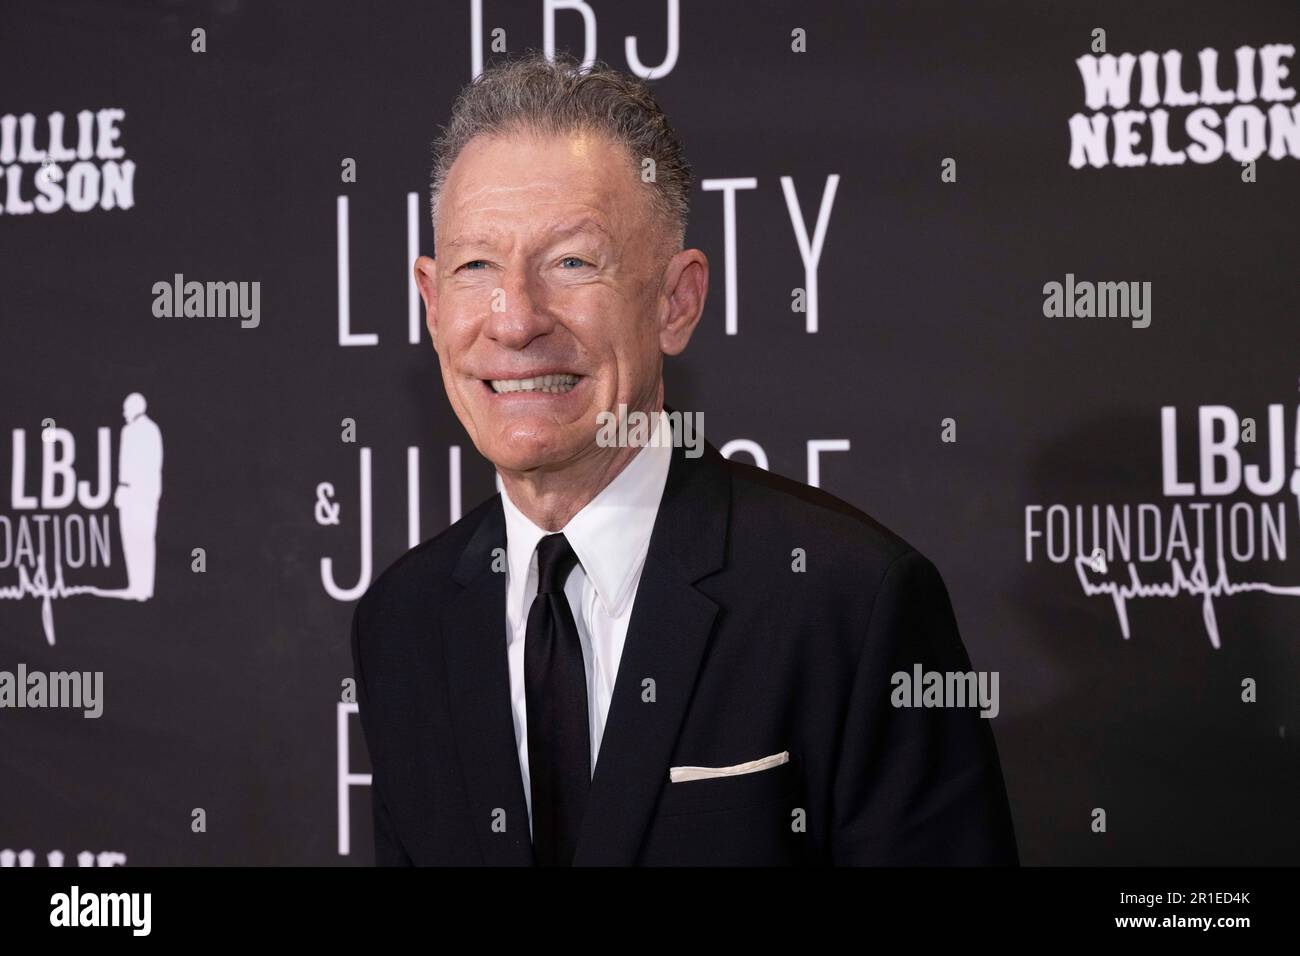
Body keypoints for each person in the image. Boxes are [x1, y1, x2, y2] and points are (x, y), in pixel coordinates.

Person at [351, 52, 1017, 866]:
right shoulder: (402, 626)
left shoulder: (849, 603)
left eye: (572, 262)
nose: (516, 318)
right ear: (430, 302)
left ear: (677, 301)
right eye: (475, 265)